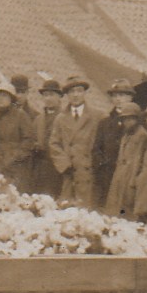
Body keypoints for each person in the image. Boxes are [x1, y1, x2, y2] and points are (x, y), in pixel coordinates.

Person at [48, 76, 98, 206]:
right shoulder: (60, 118)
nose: (75, 95)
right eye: (71, 91)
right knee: (67, 210)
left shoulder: (97, 116)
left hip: (88, 174)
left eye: (79, 91)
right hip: (68, 173)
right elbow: (54, 144)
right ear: (66, 95)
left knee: (86, 211)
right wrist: (64, 164)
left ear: (84, 92)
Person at [91, 79, 137, 206]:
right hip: (107, 175)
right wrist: (102, 166)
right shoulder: (104, 123)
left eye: (122, 95)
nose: (118, 99)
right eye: (115, 95)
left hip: (129, 175)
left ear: (130, 97)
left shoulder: (139, 122)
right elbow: (96, 149)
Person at [0, 78, 38, 185]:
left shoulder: (21, 115)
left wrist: (15, 156)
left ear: (11, 98)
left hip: (17, 167)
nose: (0, 99)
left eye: (4, 96)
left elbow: (29, 139)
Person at [102, 103, 145, 217]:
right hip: (120, 176)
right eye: (125, 119)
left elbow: (140, 160)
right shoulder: (126, 135)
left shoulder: (142, 135)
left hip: (131, 177)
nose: (127, 122)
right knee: (114, 210)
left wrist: (133, 179)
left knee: (128, 210)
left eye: (131, 119)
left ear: (137, 119)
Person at [28, 78, 65, 197]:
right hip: (39, 169)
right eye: (45, 95)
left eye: (52, 95)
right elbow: (32, 140)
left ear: (59, 97)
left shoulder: (65, 118)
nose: (48, 98)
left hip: (57, 170)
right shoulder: (38, 119)